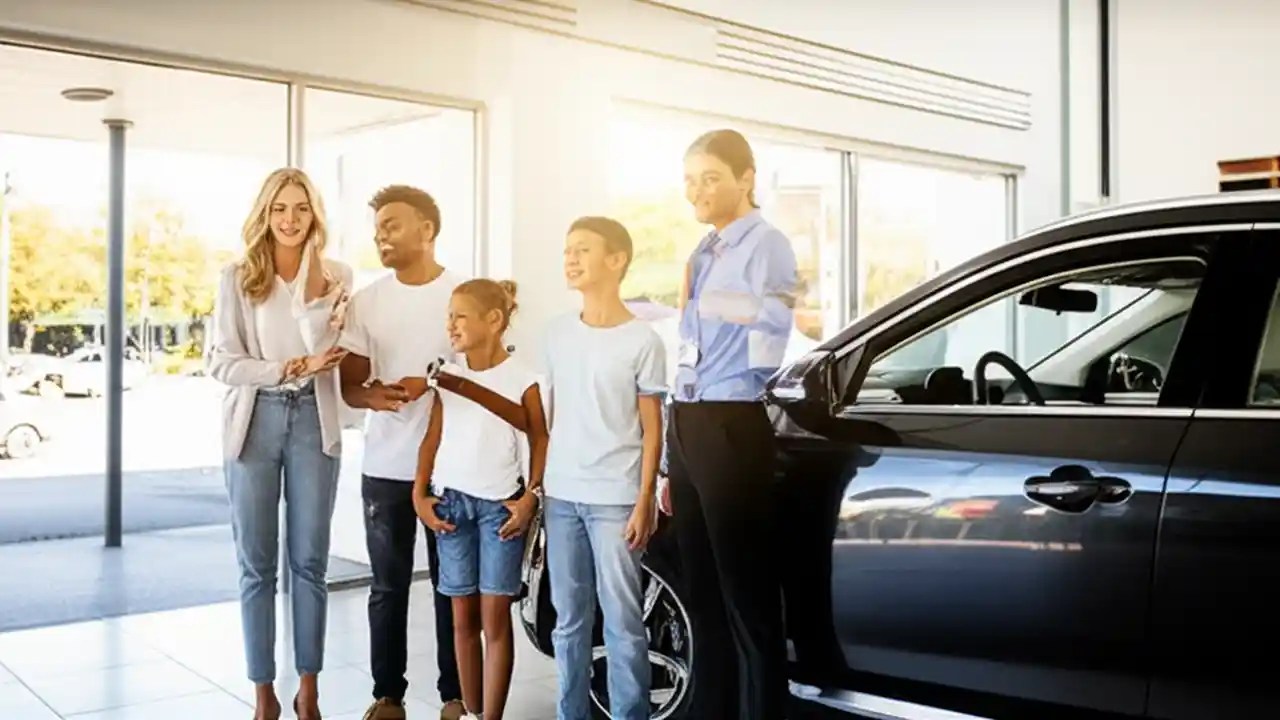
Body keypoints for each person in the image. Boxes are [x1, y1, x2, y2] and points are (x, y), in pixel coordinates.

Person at [662, 129, 798, 720]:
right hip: (689, 420)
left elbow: (772, 336)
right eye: (690, 179)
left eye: (710, 177)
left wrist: (710, 302)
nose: (697, 190)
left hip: (733, 421)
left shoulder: (767, 243)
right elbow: (691, 344)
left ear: (746, 179)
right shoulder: (704, 250)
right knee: (702, 596)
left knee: (747, 598)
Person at [209, 167, 352, 720]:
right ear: (264, 214)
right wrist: (289, 367)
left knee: (310, 562)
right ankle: (263, 694)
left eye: (300, 209)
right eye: (279, 209)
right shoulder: (239, 276)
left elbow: (336, 349)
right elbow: (222, 362)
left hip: (315, 420)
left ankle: (310, 690)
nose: (290, 220)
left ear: (314, 214)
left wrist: (317, 291)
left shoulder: (337, 275)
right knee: (256, 565)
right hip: (256, 424)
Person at [336, 185, 465, 720]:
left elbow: (488, 374)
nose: (379, 235)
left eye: (391, 224)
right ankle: (387, 696)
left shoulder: (465, 296)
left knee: (450, 586)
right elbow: (349, 387)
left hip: (453, 467)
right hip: (385, 467)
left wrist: (430, 382)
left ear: (427, 230)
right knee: (387, 587)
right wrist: (374, 395)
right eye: (377, 227)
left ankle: (455, 696)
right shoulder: (367, 301)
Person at [540, 217, 665, 720]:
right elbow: (549, 417)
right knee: (568, 622)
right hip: (561, 495)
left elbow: (652, 428)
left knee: (623, 622)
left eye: (583, 250)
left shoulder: (644, 341)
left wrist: (644, 499)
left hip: (616, 498)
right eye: (567, 249)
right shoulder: (555, 334)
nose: (570, 258)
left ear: (617, 261)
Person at [414, 279, 548, 720]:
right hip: (451, 505)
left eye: (460, 316)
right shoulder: (447, 375)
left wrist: (531, 497)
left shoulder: (523, 377)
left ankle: (491, 717)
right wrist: (419, 494)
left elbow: (538, 437)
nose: (450, 324)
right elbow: (432, 437)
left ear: (494, 321)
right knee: (461, 620)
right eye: (448, 315)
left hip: (500, 511)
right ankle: (470, 713)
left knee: (495, 622)